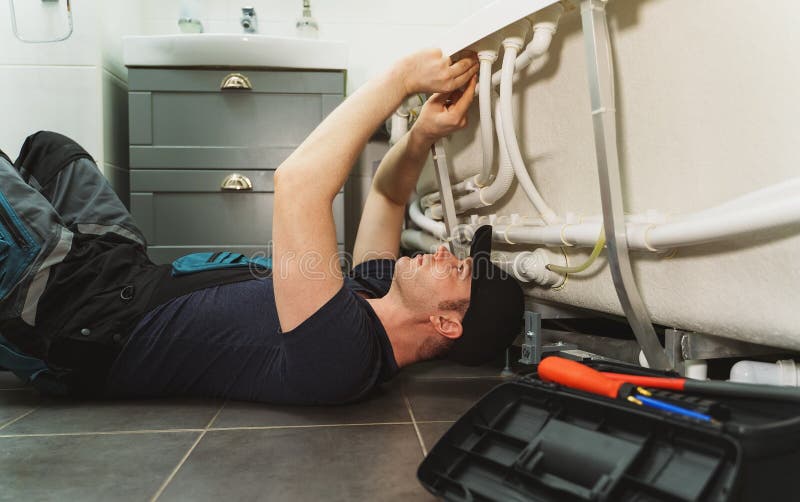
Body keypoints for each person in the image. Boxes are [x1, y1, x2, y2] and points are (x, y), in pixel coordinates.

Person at [0, 49, 523, 403]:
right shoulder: (372, 292)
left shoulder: (346, 354)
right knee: (53, 150)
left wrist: (399, 81)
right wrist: (422, 135)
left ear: (447, 324)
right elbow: (388, 194)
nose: (445, 253)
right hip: (123, 270)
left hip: (73, 314)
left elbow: (297, 184)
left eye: (460, 271)